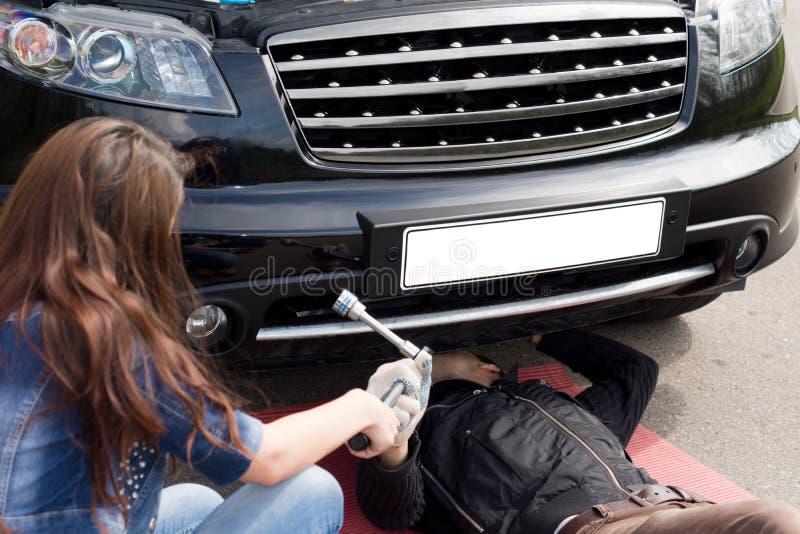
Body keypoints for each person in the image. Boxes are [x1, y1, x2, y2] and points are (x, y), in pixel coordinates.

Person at [0, 118, 404, 534]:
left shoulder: (20, 304)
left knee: (198, 501)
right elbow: (265, 459)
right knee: (311, 491)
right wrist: (361, 407)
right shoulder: (107, 340)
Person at [357, 329, 800, 533]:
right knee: (775, 521)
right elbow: (396, 513)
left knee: (777, 523)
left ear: (491, 369)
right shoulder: (419, 427)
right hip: (580, 528)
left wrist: (544, 335)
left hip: (664, 512)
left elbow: (636, 370)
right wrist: (393, 447)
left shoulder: (577, 412)